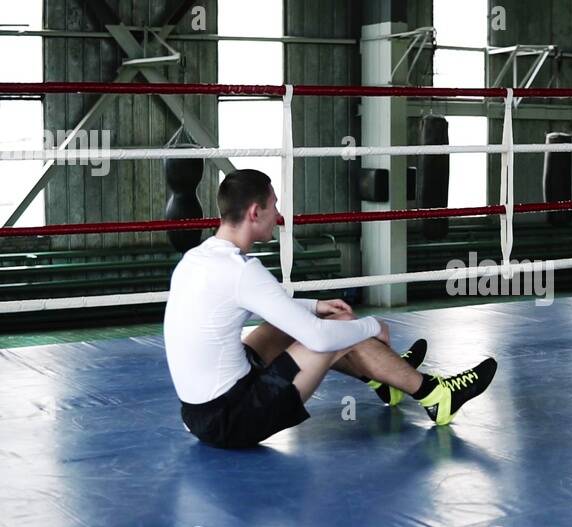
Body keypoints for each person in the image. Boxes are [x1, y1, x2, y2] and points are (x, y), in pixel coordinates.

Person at [164, 169, 496, 449]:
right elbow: (320, 341)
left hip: (198, 416)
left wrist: (316, 305)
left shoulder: (201, 257)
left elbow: (272, 306)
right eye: (273, 206)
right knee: (337, 334)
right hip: (233, 420)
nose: (278, 215)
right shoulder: (241, 270)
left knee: (309, 322)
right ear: (254, 212)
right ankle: (435, 394)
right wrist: (371, 325)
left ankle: (384, 377)